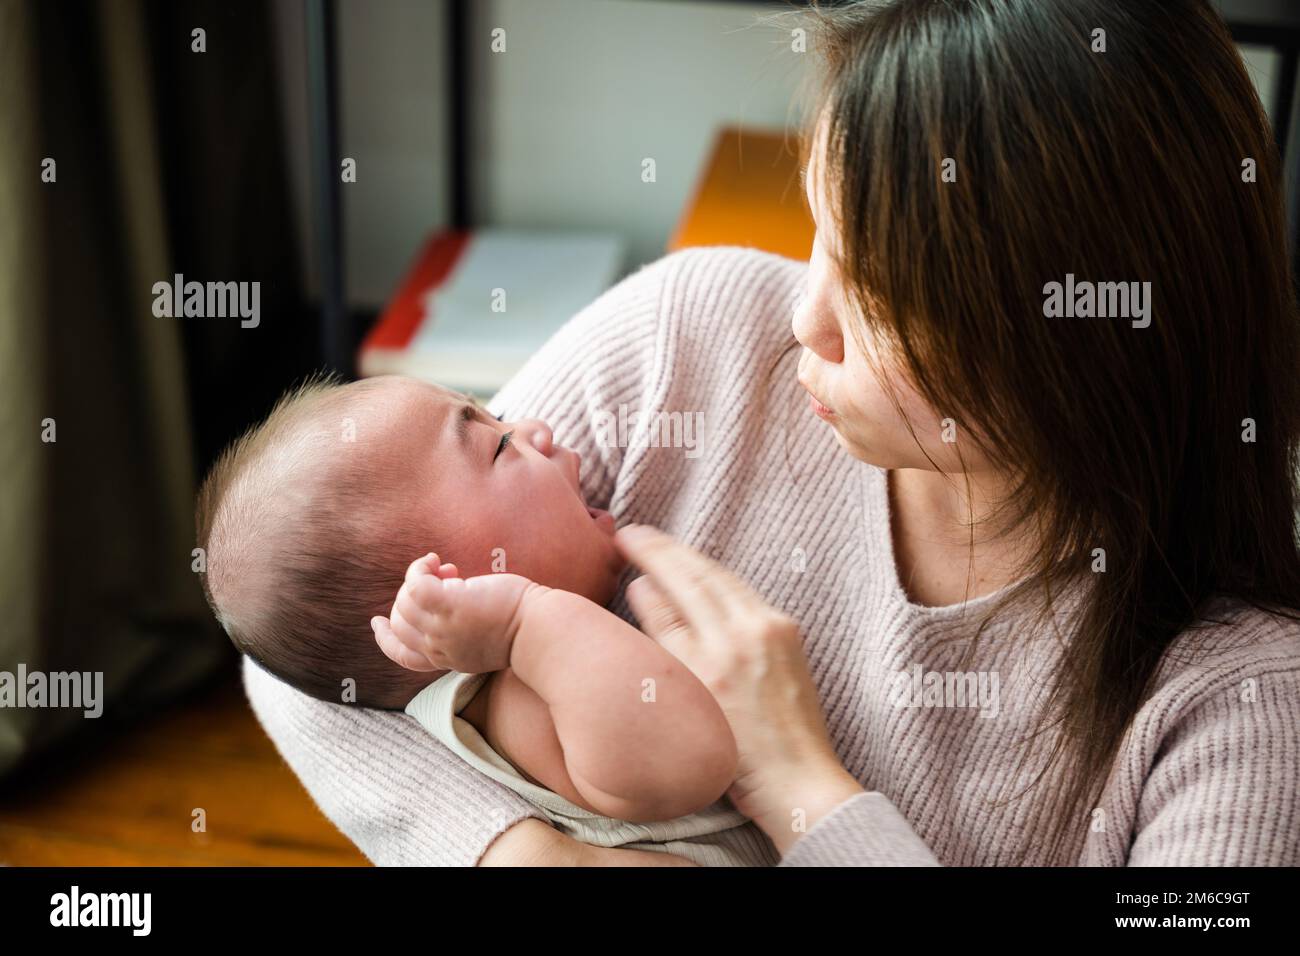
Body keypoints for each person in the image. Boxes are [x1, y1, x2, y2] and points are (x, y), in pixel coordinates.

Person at [245, 0, 1300, 865]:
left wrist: (799, 781)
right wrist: (522, 853)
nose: (802, 318)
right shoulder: (692, 334)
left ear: (1065, 346)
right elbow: (310, 616)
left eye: (877, 292)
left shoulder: (1243, 705)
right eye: (817, 234)